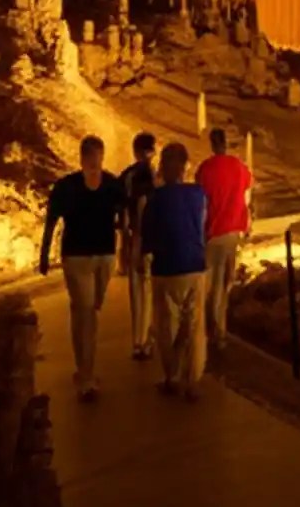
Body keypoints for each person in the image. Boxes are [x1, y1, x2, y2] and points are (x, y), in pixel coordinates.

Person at [39, 135, 126, 402]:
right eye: (89, 157)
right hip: (80, 256)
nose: (92, 162)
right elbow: (52, 220)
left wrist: (127, 243)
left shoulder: (111, 184)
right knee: (85, 312)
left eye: (95, 157)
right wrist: (44, 255)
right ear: (83, 158)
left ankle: (86, 368)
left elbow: (123, 217)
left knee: (92, 310)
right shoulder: (69, 186)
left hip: (102, 256)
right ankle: (86, 376)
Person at [141, 142, 209, 401]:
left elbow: (147, 240)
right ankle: (192, 380)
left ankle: (171, 375)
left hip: (166, 269)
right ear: (185, 167)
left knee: (166, 326)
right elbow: (203, 224)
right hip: (194, 263)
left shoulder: (154, 201)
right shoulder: (198, 194)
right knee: (193, 325)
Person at [194, 128, 253, 351]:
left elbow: (201, 202)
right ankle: (220, 331)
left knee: (211, 284)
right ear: (227, 143)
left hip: (212, 232)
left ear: (212, 144)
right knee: (225, 284)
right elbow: (246, 196)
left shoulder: (205, 169)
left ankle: (210, 330)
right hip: (233, 230)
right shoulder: (239, 167)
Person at [121, 132, 157, 361]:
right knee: (149, 290)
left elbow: (122, 212)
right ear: (152, 151)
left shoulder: (127, 176)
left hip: (134, 237)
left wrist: (124, 243)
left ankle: (137, 340)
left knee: (136, 292)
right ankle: (146, 340)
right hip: (151, 238)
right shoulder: (153, 176)